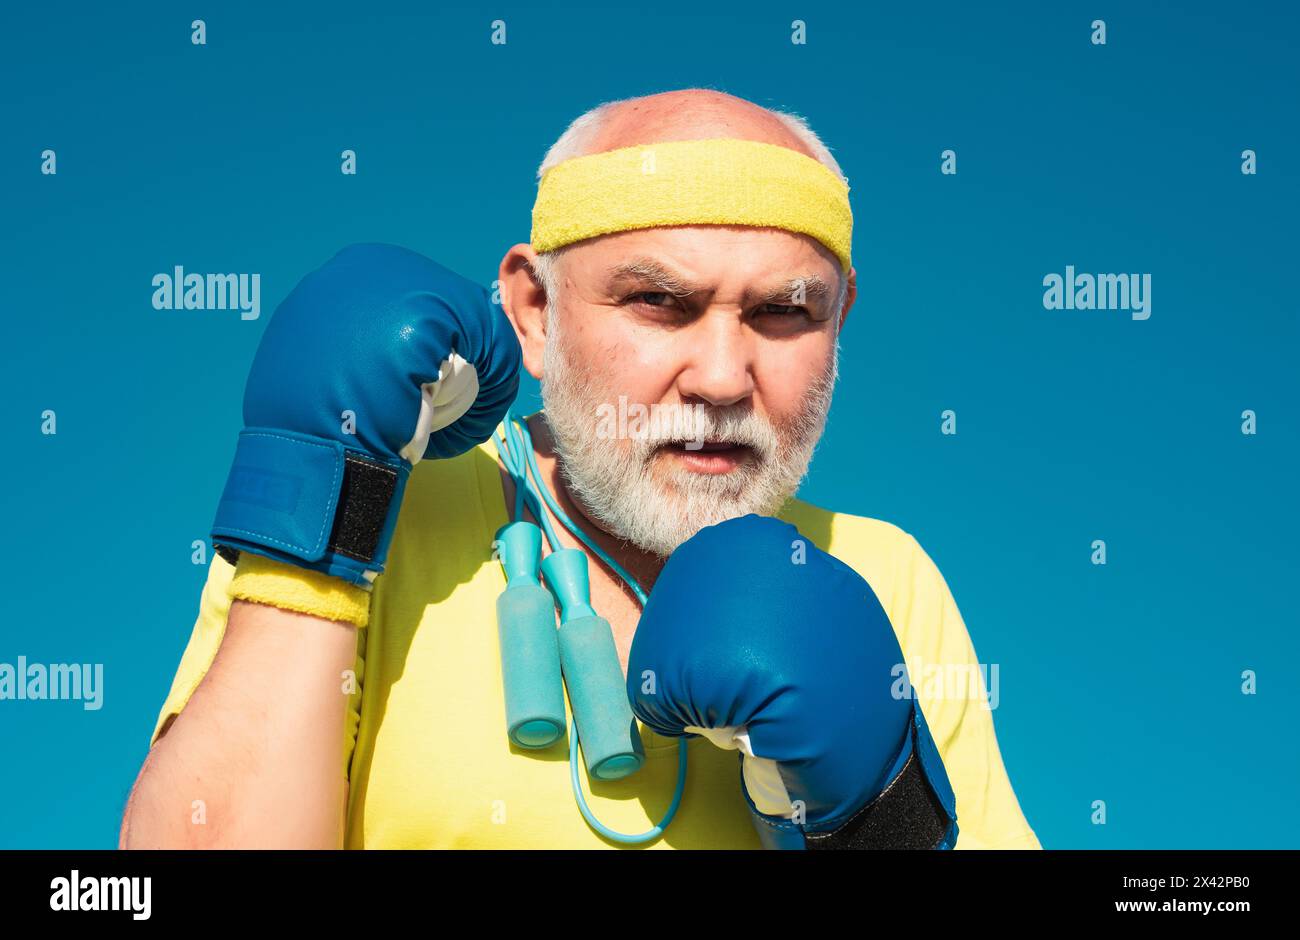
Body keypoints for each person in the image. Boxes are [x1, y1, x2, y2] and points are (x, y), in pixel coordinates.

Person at [120, 88, 1040, 849]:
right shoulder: (368, 504)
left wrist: (882, 827)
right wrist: (315, 508)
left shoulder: (884, 574)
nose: (723, 378)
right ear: (532, 312)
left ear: (838, 325)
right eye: (658, 302)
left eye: (784, 313)